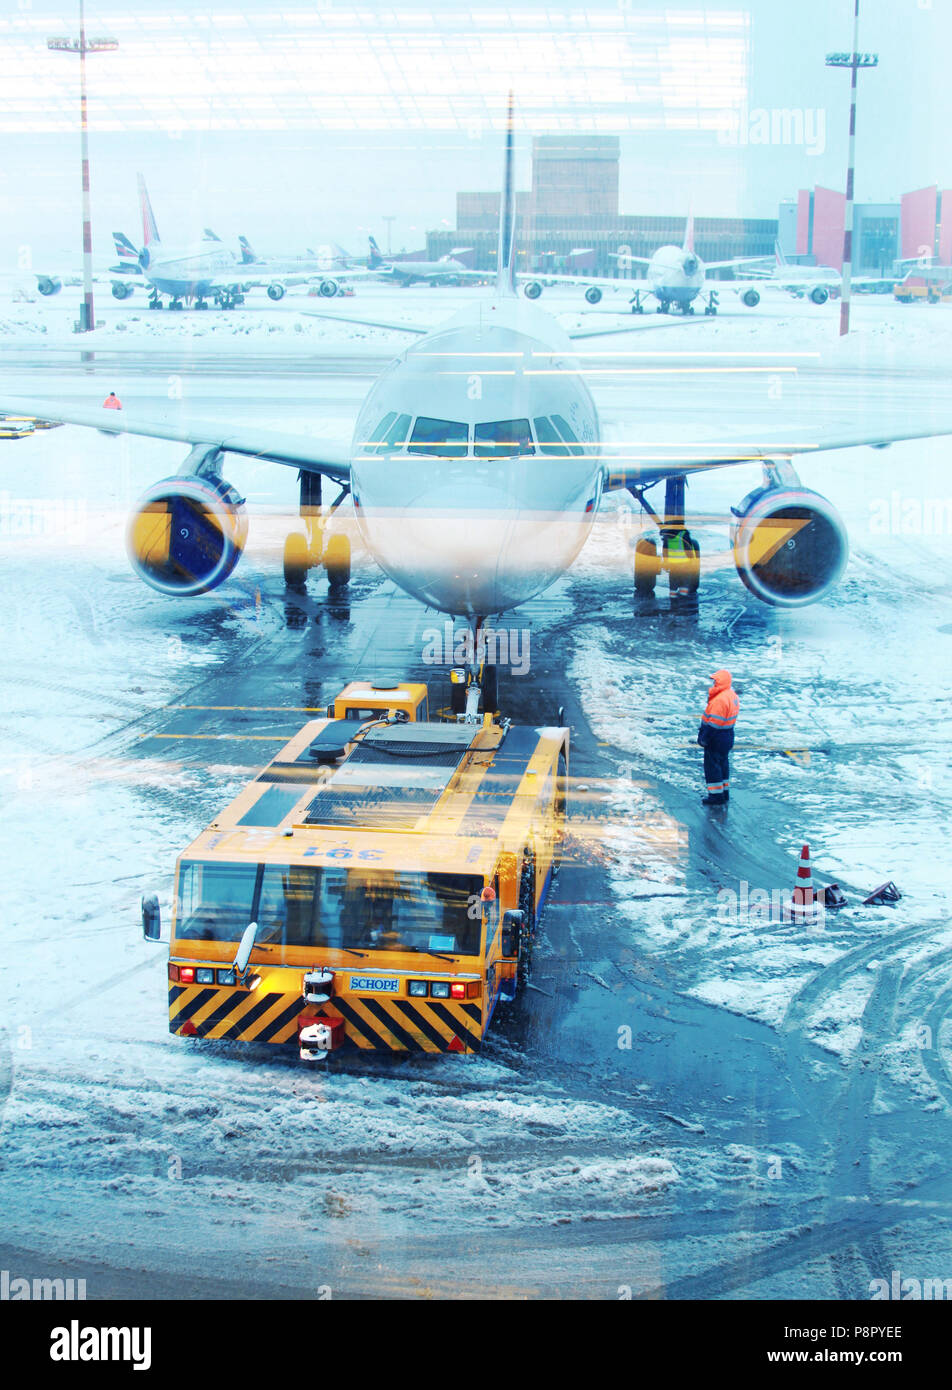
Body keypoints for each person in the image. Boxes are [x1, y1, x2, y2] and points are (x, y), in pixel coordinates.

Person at [697, 668, 739, 806]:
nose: (713, 683)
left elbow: (714, 723)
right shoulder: (732, 696)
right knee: (722, 764)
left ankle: (716, 796)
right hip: (727, 735)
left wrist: (704, 738)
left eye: (715, 681)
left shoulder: (720, 700)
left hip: (716, 737)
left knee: (712, 766)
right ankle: (724, 792)